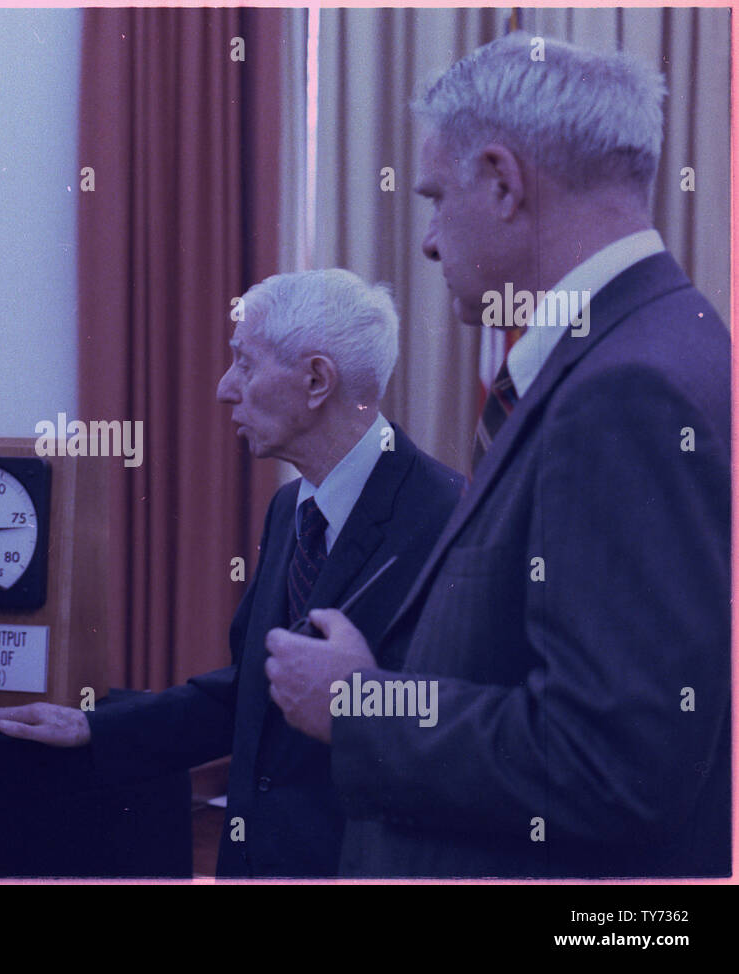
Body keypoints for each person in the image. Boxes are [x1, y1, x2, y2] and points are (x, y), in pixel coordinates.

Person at [265, 35, 730, 877]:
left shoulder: (626, 391)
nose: (431, 241)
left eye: (438, 198)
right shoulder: (663, 341)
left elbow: (612, 763)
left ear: (504, 181)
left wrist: (358, 705)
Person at [0, 270, 463, 876]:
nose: (225, 388)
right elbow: (253, 694)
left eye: (245, 364)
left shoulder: (450, 521)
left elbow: (452, 735)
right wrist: (95, 728)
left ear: (315, 381)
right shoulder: (293, 508)